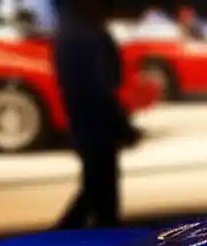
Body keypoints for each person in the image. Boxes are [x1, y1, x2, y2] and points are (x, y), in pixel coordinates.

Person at [53, 0, 138, 229]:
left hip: (89, 120)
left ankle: (72, 233)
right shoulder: (82, 36)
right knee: (100, 186)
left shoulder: (78, 30)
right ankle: (68, 234)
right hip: (94, 121)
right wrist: (120, 122)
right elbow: (97, 87)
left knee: (97, 184)